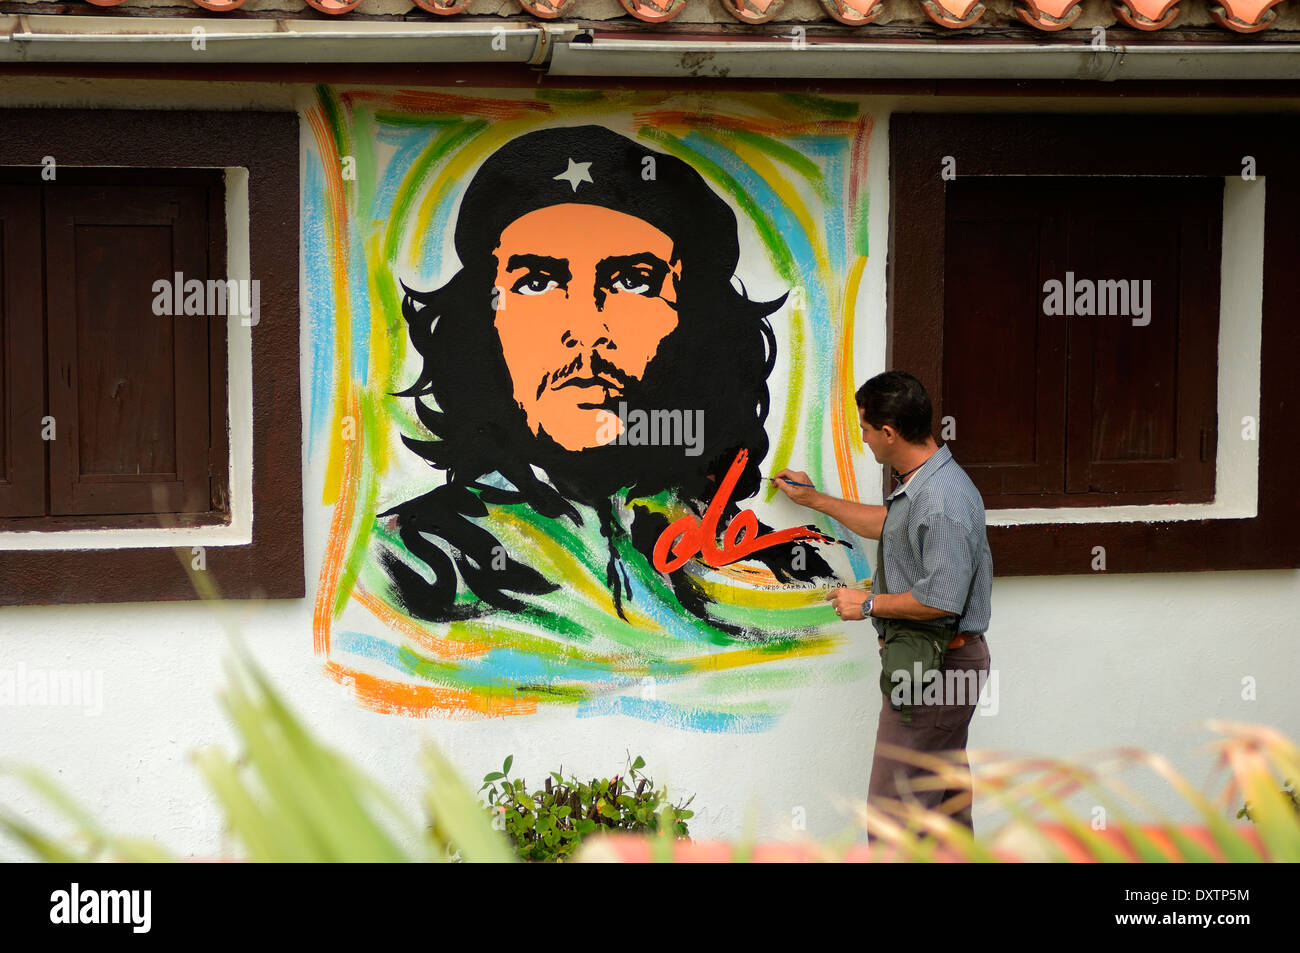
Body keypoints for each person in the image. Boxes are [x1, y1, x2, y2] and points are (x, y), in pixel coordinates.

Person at [379, 123, 840, 634]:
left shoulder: (781, 577)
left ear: (696, 324)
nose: (587, 331)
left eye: (631, 281)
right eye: (536, 282)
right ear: (484, 322)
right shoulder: (411, 561)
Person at [774, 370, 993, 834]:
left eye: (867, 431)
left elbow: (942, 600)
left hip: (935, 672)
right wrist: (814, 499)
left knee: (891, 820)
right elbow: (888, 524)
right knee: (941, 816)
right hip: (936, 665)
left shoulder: (942, 502)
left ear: (890, 433)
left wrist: (868, 604)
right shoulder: (925, 483)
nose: (865, 440)